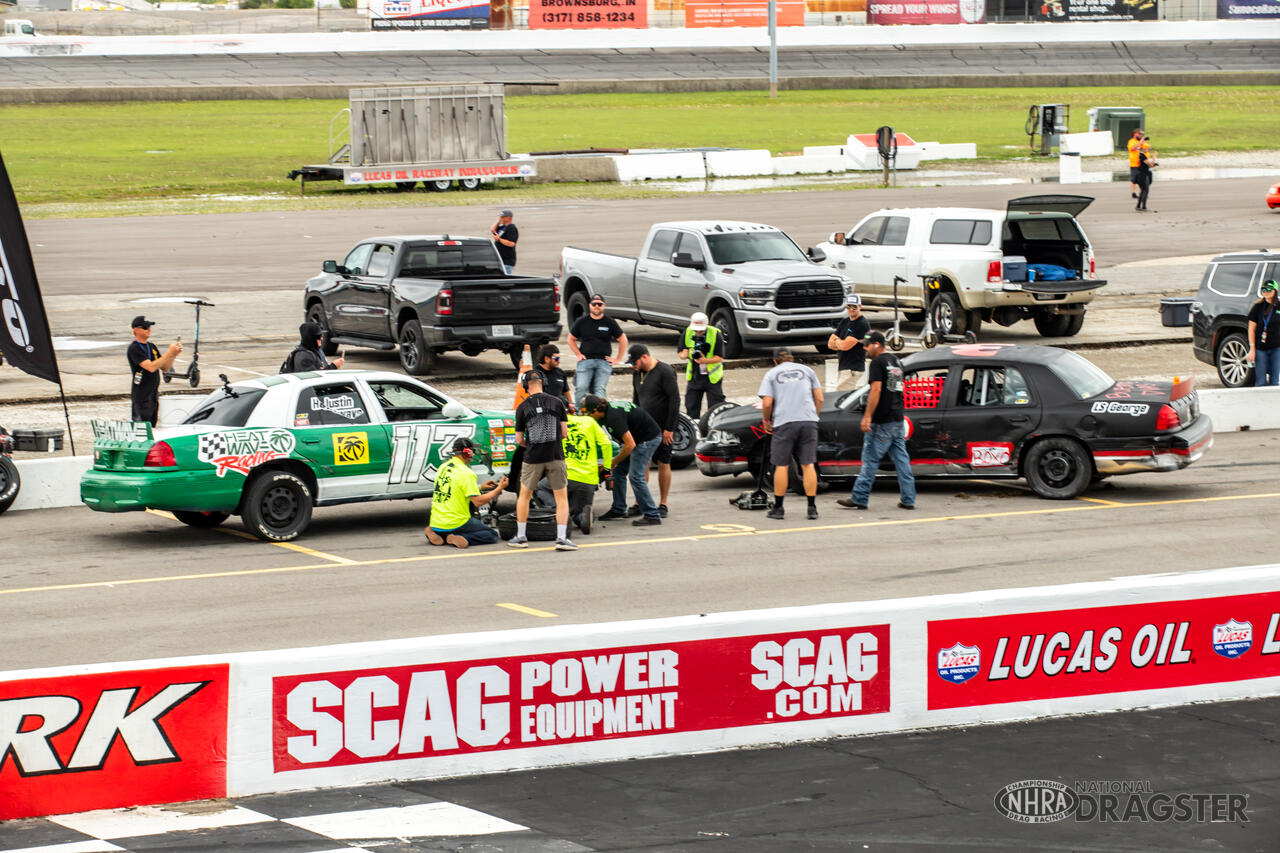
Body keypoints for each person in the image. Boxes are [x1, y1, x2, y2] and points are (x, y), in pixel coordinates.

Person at [838, 331, 916, 511]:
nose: (865, 349)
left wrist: (867, 416)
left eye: (867, 345)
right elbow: (896, 389)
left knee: (871, 459)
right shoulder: (896, 362)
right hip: (897, 418)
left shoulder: (877, 362)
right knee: (902, 461)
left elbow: (876, 390)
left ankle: (859, 497)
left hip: (882, 421)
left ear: (877, 344)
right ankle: (908, 499)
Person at [511, 370, 576, 551]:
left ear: (525, 386)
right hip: (555, 455)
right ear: (544, 382)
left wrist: (531, 444)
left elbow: (519, 440)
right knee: (561, 497)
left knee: (524, 495)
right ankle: (562, 538)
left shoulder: (522, 408)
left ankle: (521, 536)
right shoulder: (557, 402)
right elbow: (564, 433)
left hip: (532, 457)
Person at [757, 346, 823, 521]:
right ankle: (811, 507)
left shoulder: (772, 374)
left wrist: (766, 422)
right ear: (792, 359)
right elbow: (820, 398)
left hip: (785, 422)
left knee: (782, 465)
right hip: (808, 421)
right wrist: (813, 416)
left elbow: (767, 404)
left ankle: (778, 508)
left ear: (775, 361)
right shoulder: (808, 370)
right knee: (808, 464)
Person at [583, 394, 663, 526]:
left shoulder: (613, 417)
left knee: (636, 476)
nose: (588, 418)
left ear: (596, 411)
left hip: (647, 439)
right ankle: (618, 509)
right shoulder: (602, 414)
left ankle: (652, 514)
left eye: (589, 414)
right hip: (635, 439)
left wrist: (614, 461)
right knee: (618, 472)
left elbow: (630, 444)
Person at [535, 409, 613, 534]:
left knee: (540, 488)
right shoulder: (589, 421)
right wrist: (607, 468)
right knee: (579, 513)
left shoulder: (553, 424)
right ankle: (582, 516)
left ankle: (559, 512)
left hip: (564, 476)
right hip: (588, 480)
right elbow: (606, 444)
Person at [425, 437, 507, 548]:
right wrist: (499, 489)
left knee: (445, 528)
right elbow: (478, 502)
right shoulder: (466, 473)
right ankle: (462, 538)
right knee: (491, 535)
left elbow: (455, 489)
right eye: (472, 451)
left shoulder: (443, 467)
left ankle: (439, 534)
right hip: (456, 522)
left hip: (436, 521)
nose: (473, 455)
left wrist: (480, 487)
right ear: (467, 453)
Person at [628, 343, 680, 518]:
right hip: (644, 428)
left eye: (634, 362)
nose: (633, 366)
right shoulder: (637, 372)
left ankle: (663, 504)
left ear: (644, 357)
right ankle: (639, 502)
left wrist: (669, 428)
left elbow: (675, 400)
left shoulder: (665, 371)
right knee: (643, 464)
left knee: (664, 462)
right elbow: (636, 400)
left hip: (663, 428)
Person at [568, 295, 628, 402]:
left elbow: (623, 339)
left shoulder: (610, 322)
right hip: (585, 361)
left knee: (599, 390)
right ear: (589, 306)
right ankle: (579, 414)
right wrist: (578, 354)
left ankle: (600, 415)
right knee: (581, 388)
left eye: (599, 304)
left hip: (603, 362)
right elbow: (570, 339)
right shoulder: (582, 321)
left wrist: (617, 359)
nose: (596, 306)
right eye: (594, 304)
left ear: (604, 306)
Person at [127, 315, 182, 426]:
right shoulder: (134, 348)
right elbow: (151, 367)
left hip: (152, 394)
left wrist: (173, 355)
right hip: (141, 396)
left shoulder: (151, 346)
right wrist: (169, 352)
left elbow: (165, 367)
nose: (149, 330)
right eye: (145, 327)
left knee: (153, 425)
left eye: (149, 327)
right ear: (136, 330)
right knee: (142, 426)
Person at [676, 311, 725, 421]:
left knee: (715, 408)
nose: (698, 333)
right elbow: (681, 352)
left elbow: (720, 357)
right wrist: (684, 355)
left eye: (701, 331)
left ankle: (713, 428)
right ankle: (695, 429)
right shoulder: (688, 332)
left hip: (712, 378)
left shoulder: (715, 333)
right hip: (694, 376)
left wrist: (705, 360)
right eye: (696, 330)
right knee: (691, 406)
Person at [828, 294, 871, 390]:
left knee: (842, 397)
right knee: (841, 396)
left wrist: (837, 340)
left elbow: (844, 346)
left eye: (854, 307)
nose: (851, 309)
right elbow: (830, 344)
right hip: (843, 366)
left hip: (853, 368)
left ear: (860, 306)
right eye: (849, 306)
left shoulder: (862, 324)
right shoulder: (845, 321)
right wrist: (839, 342)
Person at [1248, 279, 1280, 386]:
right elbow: (1251, 329)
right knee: (1260, 382)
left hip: (1277, 349)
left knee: (1275, 381)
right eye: (1264, 289)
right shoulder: (1257, 307)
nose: (1266, 291)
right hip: (1261, 349)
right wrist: (1252, 349)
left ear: (1275, 291)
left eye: (1269, 289)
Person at [535, 343, 574, 408]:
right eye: (556, 359)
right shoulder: (535, 373)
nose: (558, 361)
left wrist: (572, 406)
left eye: (559, 358)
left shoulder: (560, 372)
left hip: (561, 408)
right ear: (547, 359)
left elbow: (566, 392)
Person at [491, 209, 518, 274]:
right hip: (500, 260)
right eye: (500, 217)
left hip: (507, 261)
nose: (500, 218)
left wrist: (499, 239)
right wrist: (498, 221)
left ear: (508, 218)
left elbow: (511, 243)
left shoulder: (511, 228)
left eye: (502, 217)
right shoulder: (503, 227)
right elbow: (492, 230)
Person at [1126, 130, 1151, 200]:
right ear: (1135, 134)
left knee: (1142, 178)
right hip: (1134, 163)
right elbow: (1132, 148)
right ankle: (1133, 193)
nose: (1141, 135)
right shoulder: (1131, 141)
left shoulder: (1142, 142)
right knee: (1134, 179)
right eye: (1139, 134)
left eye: (1141, 134)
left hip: (1142, 163)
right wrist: (1139, 143)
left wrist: (1144, 142)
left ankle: (1141, 192)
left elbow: (1148, 149)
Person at [1135, 140, 1157, 213]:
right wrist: (1154, 157)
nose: (1149, 149)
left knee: (1143, 190)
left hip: (1140, 174)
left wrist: (1153, 162)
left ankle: (1138, 205)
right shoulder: (1142, 155)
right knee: (1145, 191)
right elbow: (1150, 165)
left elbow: (1149, 166)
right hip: (1142, 175)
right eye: (1148, 148)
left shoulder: (1140, 155)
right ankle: (1143, 206)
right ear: (1144, 148)